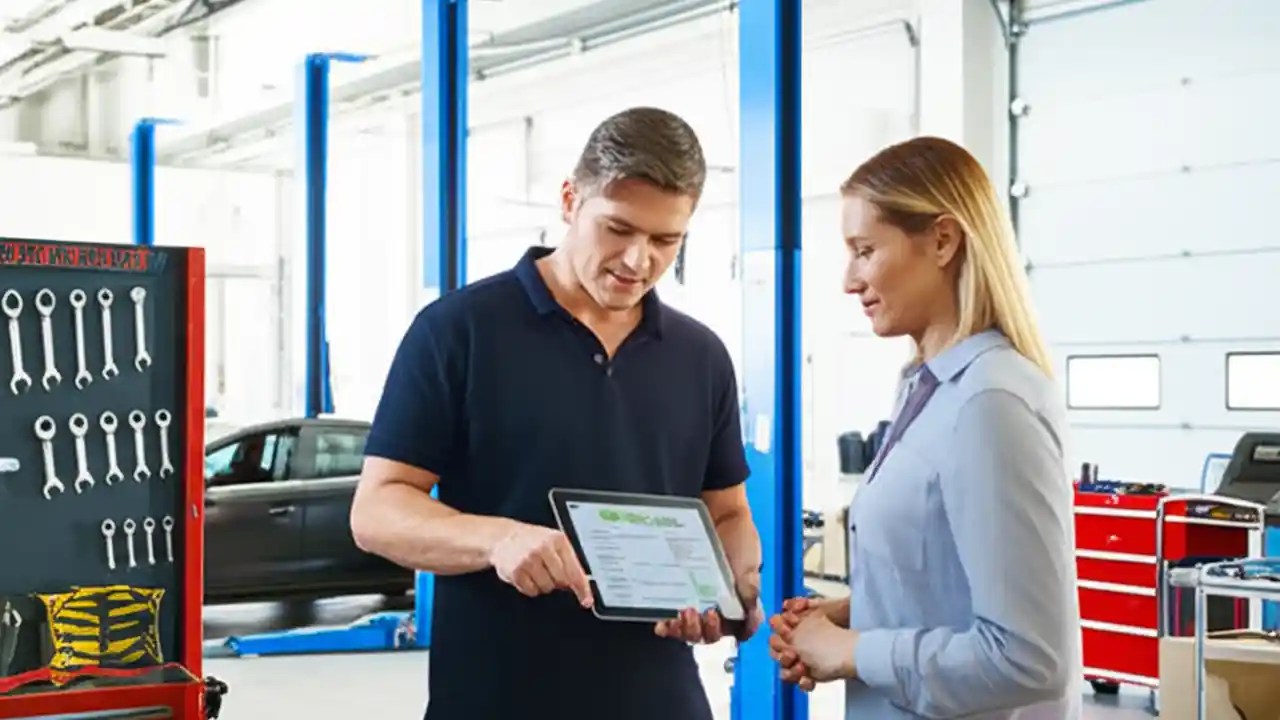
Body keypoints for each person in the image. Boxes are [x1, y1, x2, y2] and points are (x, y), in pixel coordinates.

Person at [350, 106, 764, 720]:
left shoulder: (700, 356)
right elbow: (378, 511)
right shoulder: (458, 332)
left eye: (665, 240)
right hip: (497, 697)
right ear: (571, 200)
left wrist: (732, 588)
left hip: (660, 699)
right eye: (617, 229)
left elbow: (727, 512)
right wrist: (499, 539)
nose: (638, 260)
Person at [768, 136, 1081, 719]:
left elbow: (1028, 656)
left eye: (865, 249)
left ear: (942, 240)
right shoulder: (928, 388)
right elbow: (947, 588)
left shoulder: (989, 400)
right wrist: (852, 616)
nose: (849, 279)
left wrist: (856, 651)